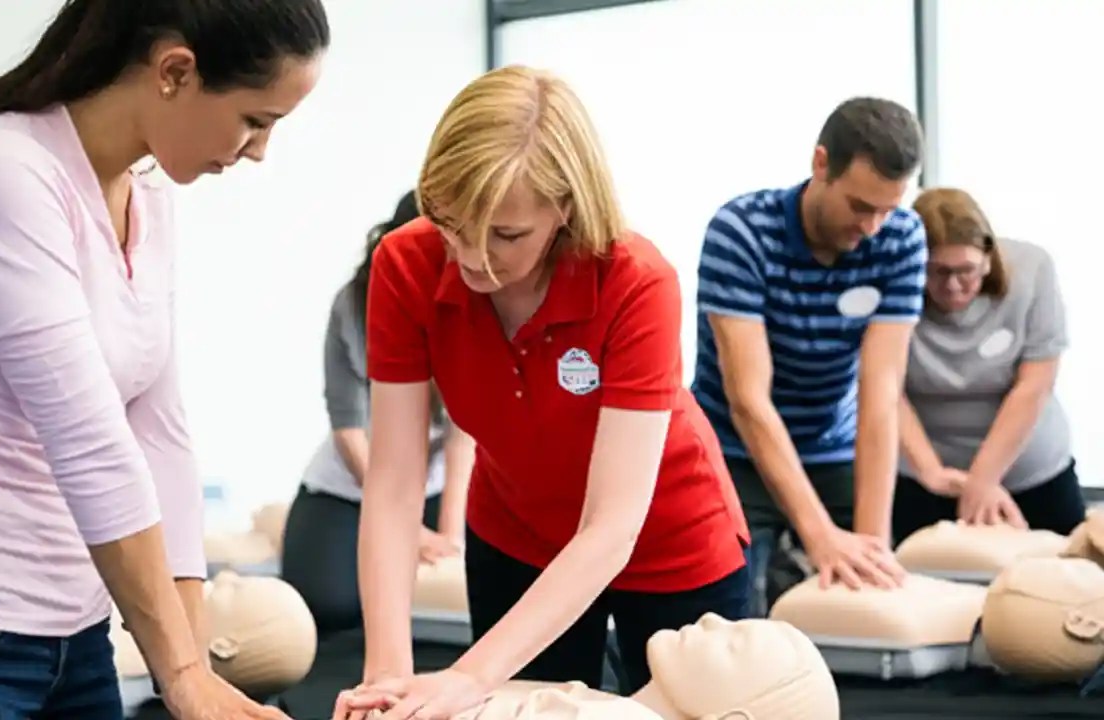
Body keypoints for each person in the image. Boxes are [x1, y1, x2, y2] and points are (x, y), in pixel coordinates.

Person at [0, 2, 328, 718]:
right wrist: (183, 675)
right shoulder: (1, 174)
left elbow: (161, 430)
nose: (258, 150)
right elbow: (90, 441)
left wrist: (189, 665)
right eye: (257, 119)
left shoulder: (147, 197)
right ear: (175, 71)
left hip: (73, 635)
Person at [333, 65, 752, 720]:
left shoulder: (637, 281)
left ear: (564, 207)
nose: (472, 256)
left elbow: (611, 525)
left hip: (667, 540)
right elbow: (393, 483)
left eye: (505, 235)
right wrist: (386, 675)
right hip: (516, 536)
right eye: (451, 223)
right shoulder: (405, 263)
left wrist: (467, 677)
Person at [690, 96, 928, 617]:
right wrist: (818, 534)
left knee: (872, 575)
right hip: (733, 450)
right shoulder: (742, 231)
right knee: (728, 612)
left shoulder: (902, 238)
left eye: (887, 209)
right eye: (860, 207)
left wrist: (871, 544)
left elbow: (882, 392)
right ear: (821, 164)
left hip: (831, 444)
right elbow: (748, 400)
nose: (872, 228)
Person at [279, 190, 475, 636]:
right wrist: (409, 530)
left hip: (437, 480)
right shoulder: (353, 306)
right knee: (330, 603)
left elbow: (464, 433)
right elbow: (349, 430)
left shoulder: (475, 297)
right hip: (356, 481)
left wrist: (448, 538)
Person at [891, 187, 1085, 541]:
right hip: (922, 478)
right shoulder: (891, 283)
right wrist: (931, 471)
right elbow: (884, 390)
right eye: (936, 272)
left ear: (988, 257)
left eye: (965, 270)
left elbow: (1034, 385)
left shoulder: (1033, 269)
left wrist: (982, 481)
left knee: (1066, 582)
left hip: (1033, 475)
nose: (951, 286)